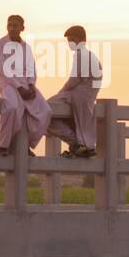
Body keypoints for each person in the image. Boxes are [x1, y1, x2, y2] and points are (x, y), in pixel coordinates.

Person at [0, 14, 51, 156]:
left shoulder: (26, 47)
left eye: (15, 25)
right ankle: (3, 145)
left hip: (26, 85)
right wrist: (19, 87)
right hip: (7, 83)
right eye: (9, 25)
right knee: (12, 108)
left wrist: (31, 85)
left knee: (46, 111)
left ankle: (25, 144)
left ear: (22, 28)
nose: (11, 28)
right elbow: (3, 69)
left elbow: (31, 69)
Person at [46, 25, 101, 158]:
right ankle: (81, 146)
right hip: (88, 96)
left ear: (81, 40)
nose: (70, 44)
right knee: (79, 123)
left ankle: (75, 143)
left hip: (77, 95)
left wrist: (61, 92)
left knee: (45, 109)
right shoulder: (91, 56)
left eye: (72, 40)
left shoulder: (81, 55)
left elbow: (74, 80)